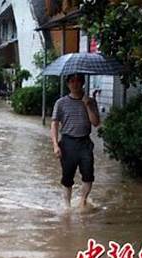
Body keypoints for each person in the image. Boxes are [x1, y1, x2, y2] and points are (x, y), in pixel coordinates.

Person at [50, 73, 100, 209]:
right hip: (67, 143)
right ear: (68, 84)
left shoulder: (90, 101)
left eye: (78, 81)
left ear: (82, 83)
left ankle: (83, 200)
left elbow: (95, 123)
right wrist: (55, 145)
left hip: (85, 142)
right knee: (67, 177)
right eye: (72, 81)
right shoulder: (61, 103)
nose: (75, 84)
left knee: (88, 175)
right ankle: (67, 205)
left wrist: (88, 105)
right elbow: (54, 124)